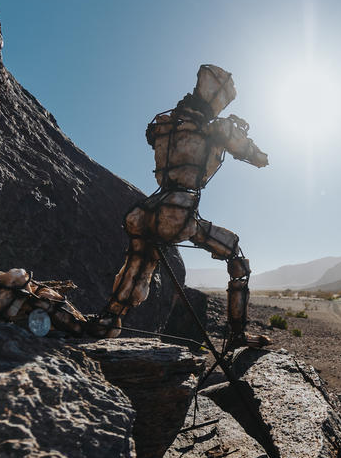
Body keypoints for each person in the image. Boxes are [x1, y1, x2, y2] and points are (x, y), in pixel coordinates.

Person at [92, 64, 270, 349]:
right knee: (235, 255)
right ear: (216, 95)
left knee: (137, 265)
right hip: (179, 211)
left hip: (148, 209)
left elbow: (153, 136)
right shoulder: (217, 128)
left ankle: (108, 319)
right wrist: (249, 144)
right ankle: (236, 336)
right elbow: (256, 156)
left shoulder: (164, 122)